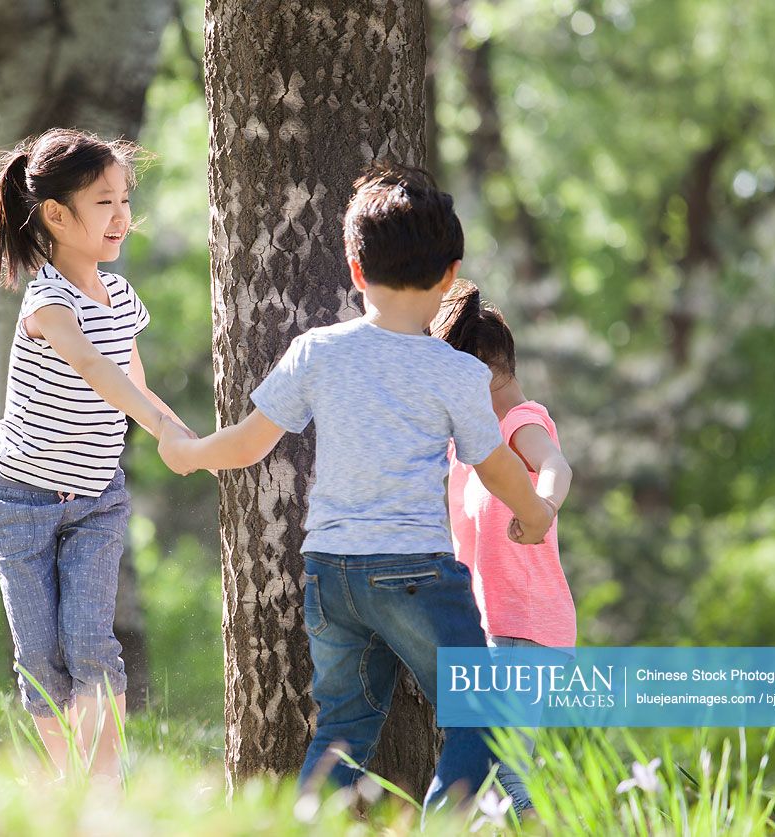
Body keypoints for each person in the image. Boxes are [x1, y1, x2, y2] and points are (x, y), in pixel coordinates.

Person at [157, 163, 555, 810]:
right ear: (451, 274)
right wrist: (534, 513)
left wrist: (187, 452)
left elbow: (248, 442)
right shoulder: (456, 373)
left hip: (331, 572)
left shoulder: (318, 351)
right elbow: (495, 466)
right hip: (414, 573)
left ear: (355, 268)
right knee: (482, 717)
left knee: (342, 729)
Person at [0, 128, 189, 780]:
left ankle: (105, 787)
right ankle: (71, 789)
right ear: (57, 216)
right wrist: (159, 425)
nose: (121, 216)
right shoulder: (48, 301)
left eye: (124, 200)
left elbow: (136, 384)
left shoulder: (122, 298)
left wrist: (181, 436)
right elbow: (93, 367)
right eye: (103, 203)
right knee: (39, 657)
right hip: (21, 501)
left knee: (91, 644)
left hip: (95, 500)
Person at [432, 279, 575, 812]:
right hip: (494, 629)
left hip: (523, 627)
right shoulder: (471, 445)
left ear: (485, 374)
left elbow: (556, 465)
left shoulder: (520, 423)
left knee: (506, 772)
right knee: (485, 775)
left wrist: (544, 508)